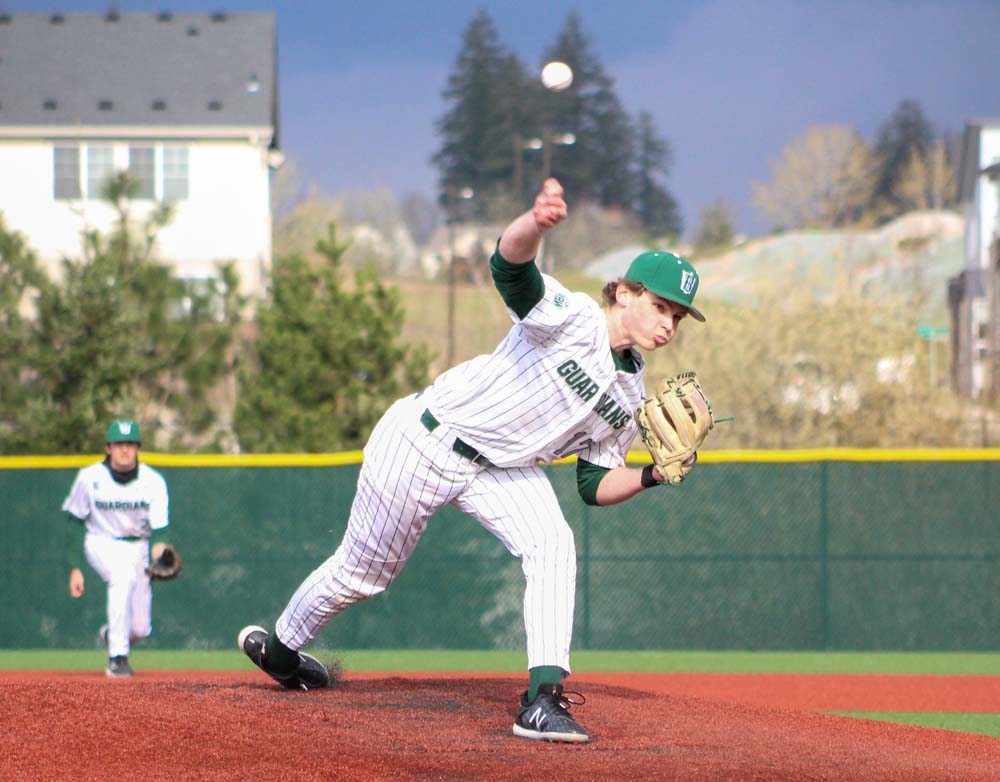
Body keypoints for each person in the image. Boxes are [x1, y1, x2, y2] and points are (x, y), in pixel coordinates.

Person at [238, 178, 706, 742]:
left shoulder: (632, 396)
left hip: (503, 468)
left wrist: (654, 474)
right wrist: (535, 222)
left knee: (553, 544)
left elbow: (593, 483)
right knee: (363, 574)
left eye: (677, 317)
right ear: (625, 293)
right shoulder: (574, 318)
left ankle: (543, 699)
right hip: (427, 438)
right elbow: (510, 269)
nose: (667, 325)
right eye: (660, 306)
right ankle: (284, 652)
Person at [64, 419, 171, 678]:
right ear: (108, 447)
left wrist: (160, 554)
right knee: (121, 578)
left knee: (142, 628)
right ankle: (117, 657)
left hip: (139, 547)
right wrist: (75, 567)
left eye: (130, 444)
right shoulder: (89, 478)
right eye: (119, 444)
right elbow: (74, 522)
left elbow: (160, 530)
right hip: (101, 541)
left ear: (138, 448)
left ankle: (114, 636)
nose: (125, 449)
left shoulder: (153, 481)